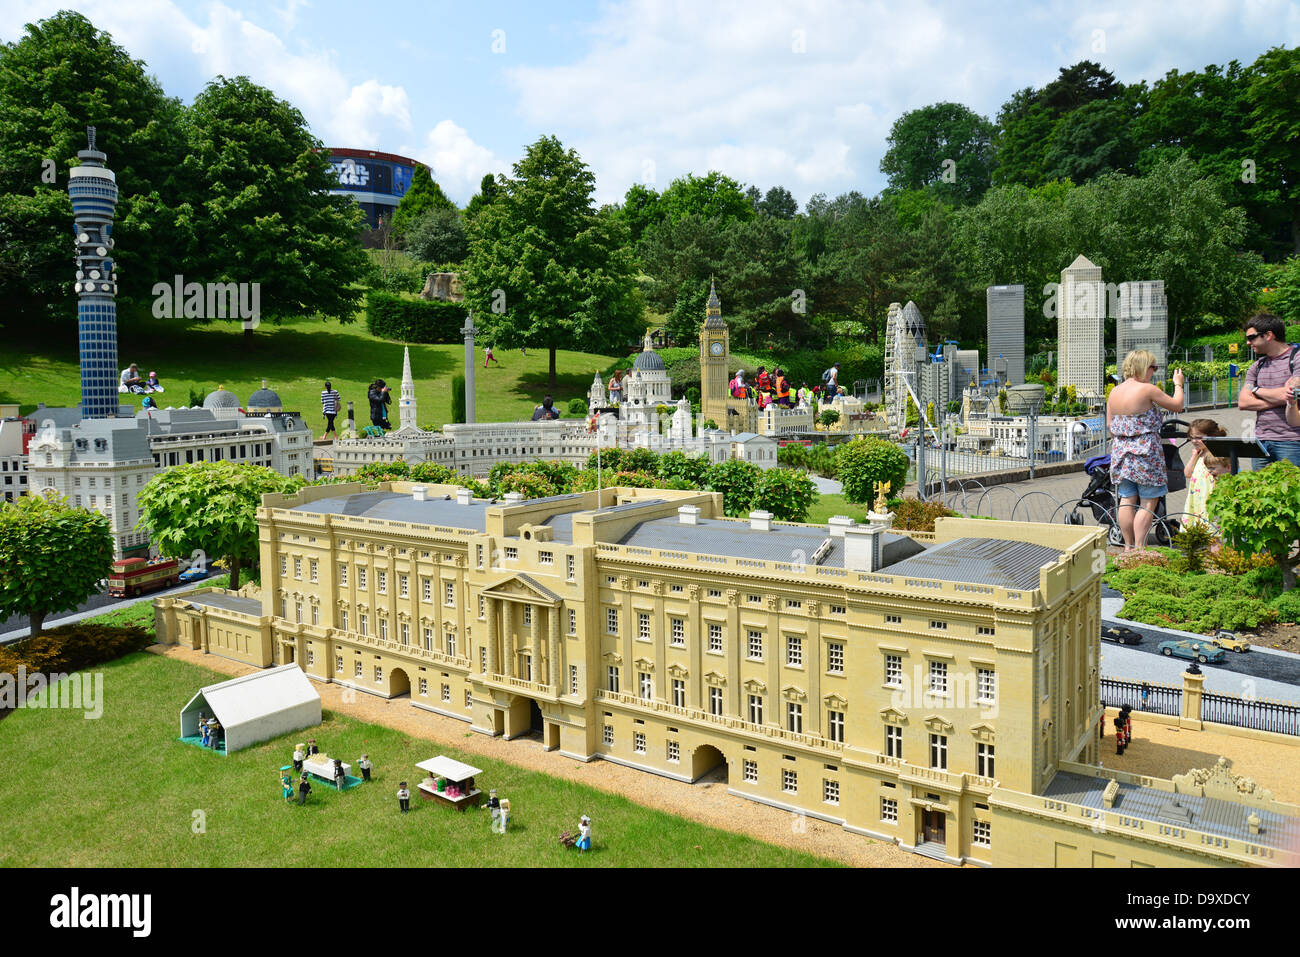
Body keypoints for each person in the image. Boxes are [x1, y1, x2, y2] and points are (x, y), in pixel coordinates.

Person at [1106, 349, 1185, 552]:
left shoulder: (1114, 392)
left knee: (1126, 498)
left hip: (1121, 452)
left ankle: (1127, 547)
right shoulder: (1147, 389)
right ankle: (1140, 548)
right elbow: (1177, 405)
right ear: (1143, 367)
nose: (1154, 371)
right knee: (1148, 500)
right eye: (1153, 367)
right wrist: (1178, 384)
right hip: (1145, 452)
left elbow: (1110, 424)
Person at [1239, 313, 1300, 468]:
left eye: (1251, 337)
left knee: (1292, 490)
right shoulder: (1257, 366)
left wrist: (1256, 389)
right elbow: (1243, 402)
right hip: (1261, 441)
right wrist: (1283, 398)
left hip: (1292, 440)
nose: (1248, 342)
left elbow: (1291, 392)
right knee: (1260, 490)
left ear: (1268, 335)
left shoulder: (1296, 358)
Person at [1184, 418, 1230, 527]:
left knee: (1212, 524)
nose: (1194, 441)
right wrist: (1194, 456)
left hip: (1211, 495)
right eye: (1192, 438)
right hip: (1198, 496)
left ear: (1212, 436)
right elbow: (1187, 473)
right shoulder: (1199, 454)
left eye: (1199, 438)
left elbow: (1228, 471)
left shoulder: (1217, 453)